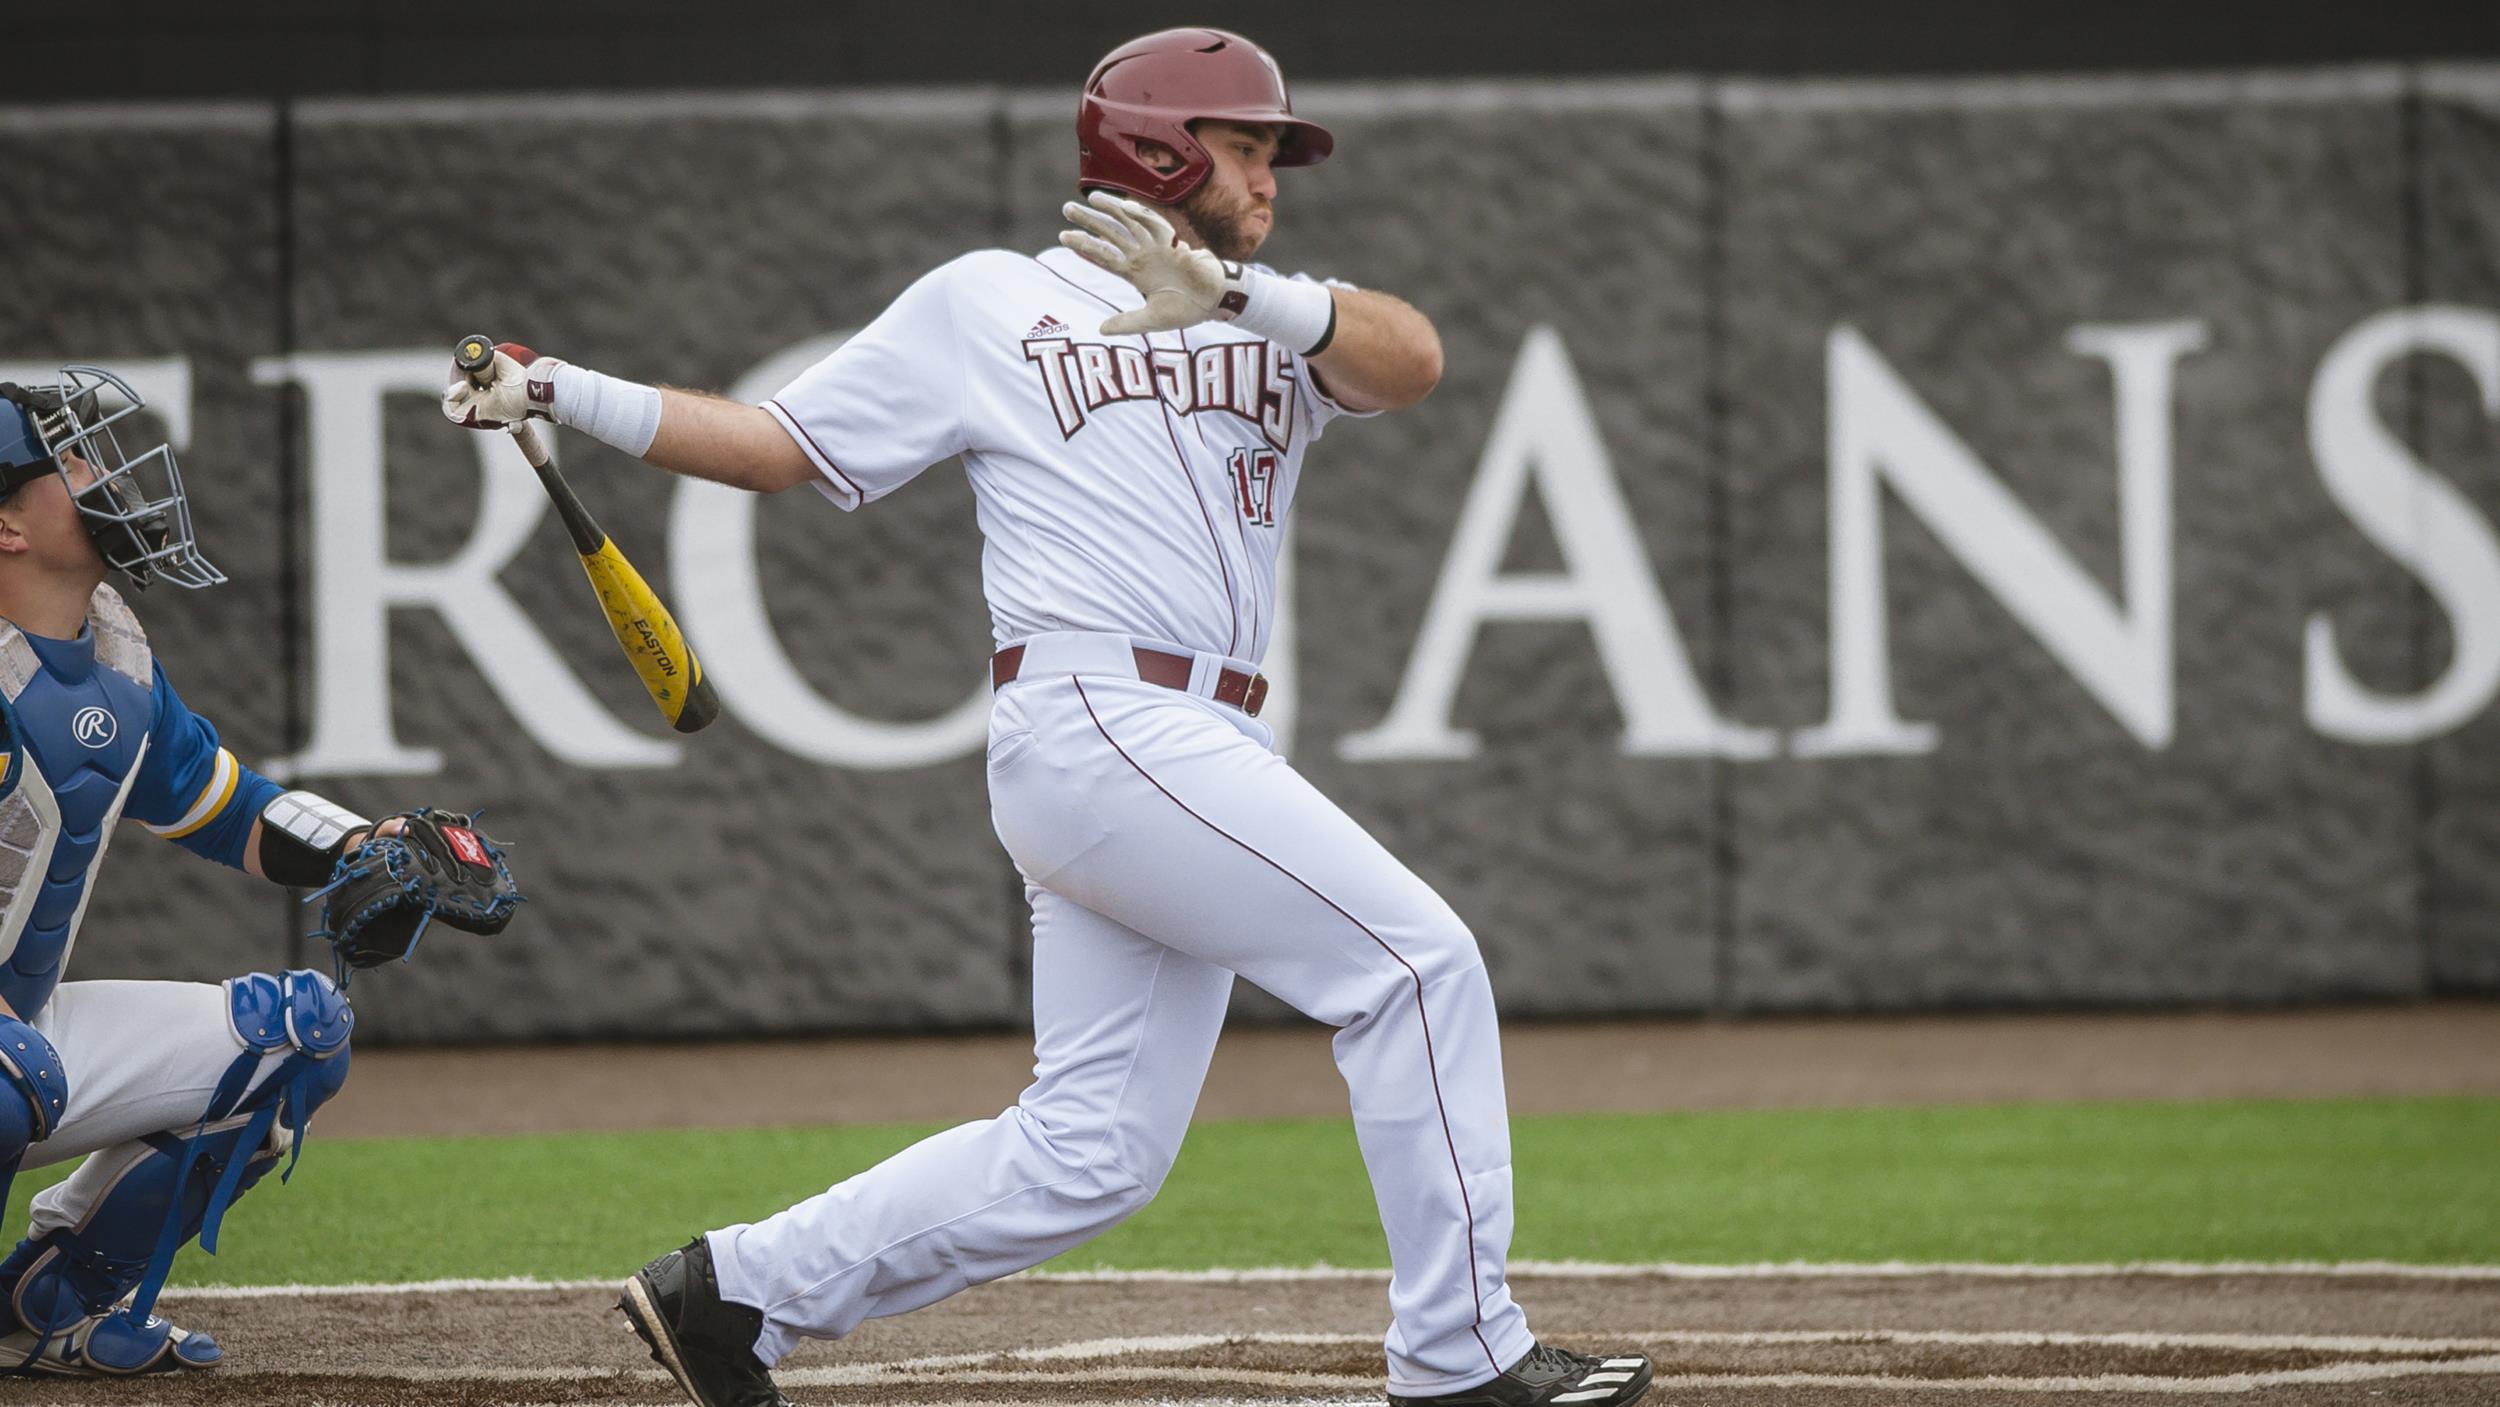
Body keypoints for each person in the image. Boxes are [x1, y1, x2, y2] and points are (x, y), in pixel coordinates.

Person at [444, 27, 1654, 1407]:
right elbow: (780, 447)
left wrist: (1245, 295)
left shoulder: (1262, 306)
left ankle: (731, 1291)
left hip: (1188, 742)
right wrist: (556, 389)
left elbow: (1415, 358)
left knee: (1091, 1153)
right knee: (1418, 965)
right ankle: (1459, 1356)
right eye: (1249, 147)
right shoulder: (989, 302)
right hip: (1105, 716)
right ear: (1160, 148)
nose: (1272, 176)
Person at [0, 370, 498, 1375]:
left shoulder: (112, 657)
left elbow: (222, 803)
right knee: (15, 1077)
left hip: (20, 1038)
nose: (101, 474)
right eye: (67, 461)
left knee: (298, 1040)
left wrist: (368, 845)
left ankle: (47, 1309)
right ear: (7, 527)